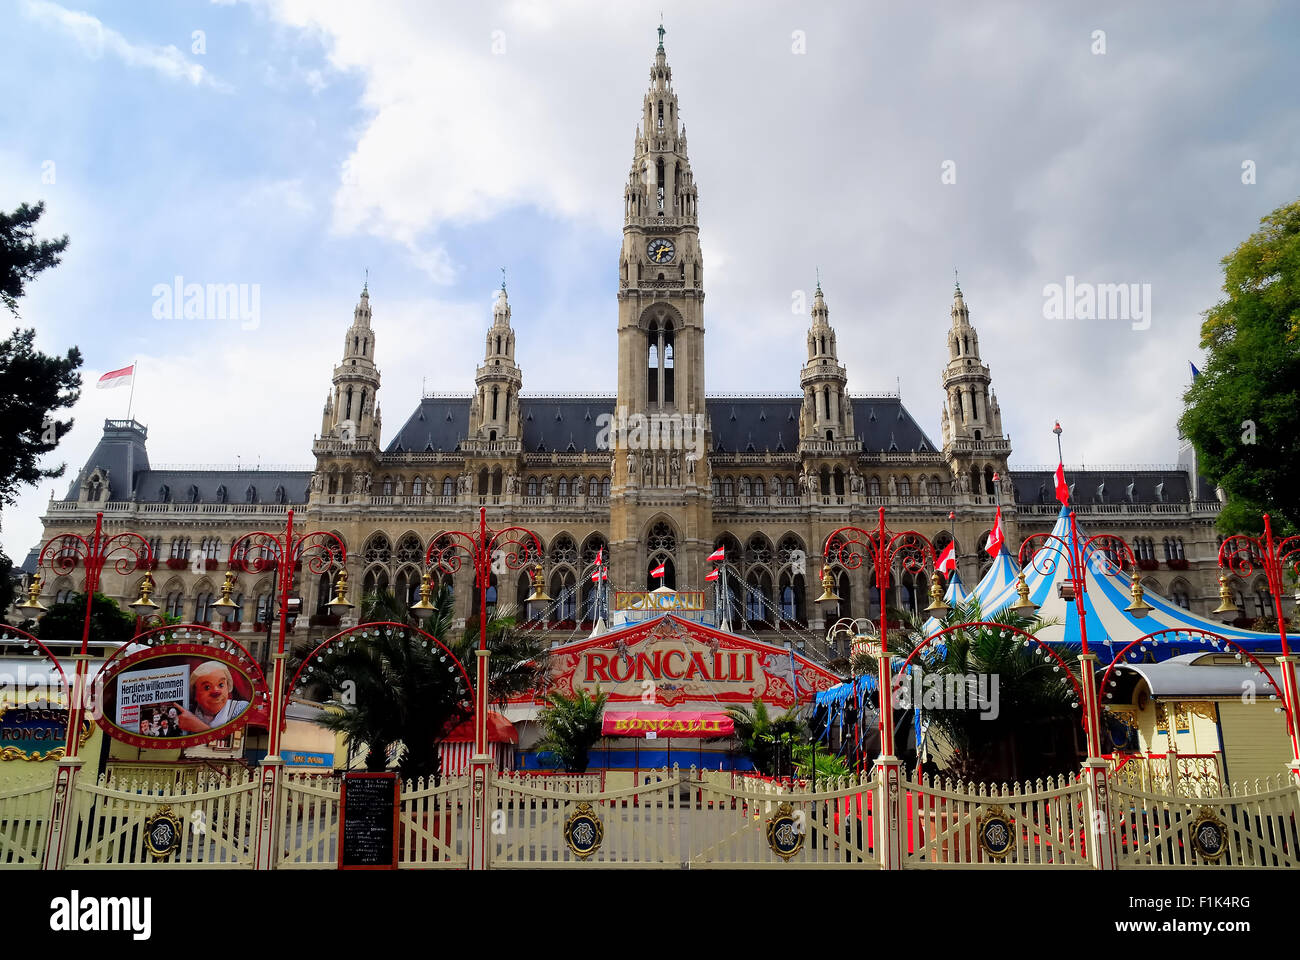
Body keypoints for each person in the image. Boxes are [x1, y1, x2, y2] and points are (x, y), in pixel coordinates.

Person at [173, 661, 250, 732]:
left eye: (221, 685)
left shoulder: (240, 708)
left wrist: (201, 728)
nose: (216, 692)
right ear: (195, 694)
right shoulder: (186, 711)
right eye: (207, 687)